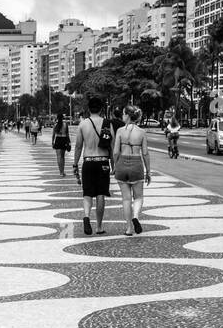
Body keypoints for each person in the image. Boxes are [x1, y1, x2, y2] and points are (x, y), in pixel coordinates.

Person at [74, 96, 113, 235]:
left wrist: (75, 164)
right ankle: (99, 226)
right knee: (101, 194)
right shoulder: (107, 123)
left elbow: (78, 147)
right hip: (103, 162)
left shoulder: (83, 124)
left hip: (88, 161)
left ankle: (86, 216)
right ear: (102, 109)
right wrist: (113, 165)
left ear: (88, 109)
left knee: (87, 194)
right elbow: (111, 146)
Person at [113, 105, 151, 236]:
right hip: (136, 164)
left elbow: (115, 152)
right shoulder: (141, 132)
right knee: (139, 197)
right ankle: (136, 216)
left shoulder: (119, 131)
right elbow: (145, 153)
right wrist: (148, 171)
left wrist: (115, 166)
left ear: (128, 116)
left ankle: (129, 228)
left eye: (124, 114)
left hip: (122, 164)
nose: (123, 116)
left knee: (126, 199)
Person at [51, 111, 71, 176]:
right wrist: (69, 142)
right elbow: (67, 134)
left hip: (57, 140)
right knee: (62, 157)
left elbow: (53, 135)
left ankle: (61, 172)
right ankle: (63, 171)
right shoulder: (65, 124)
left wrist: (52, 142)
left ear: (57, 118)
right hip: (64, 140)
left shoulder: (55, 125)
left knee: (58, 157)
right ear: (62, 118)